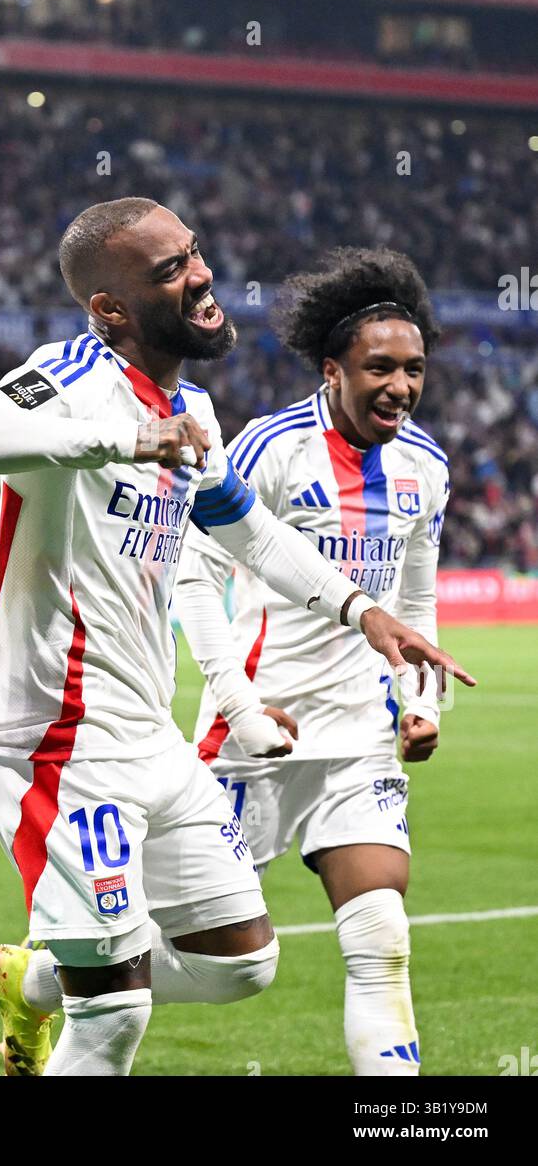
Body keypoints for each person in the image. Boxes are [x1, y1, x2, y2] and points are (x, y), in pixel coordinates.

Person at [0, 198, 474, 1078]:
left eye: (196, 253)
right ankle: (70, 983)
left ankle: (29, 980)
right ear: (110, 307)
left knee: (241, 961)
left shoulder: (197, 410)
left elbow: (249, 533)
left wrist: (364, 615)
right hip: (58, 740)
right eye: (170, 269)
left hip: (147, 736)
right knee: (114, 1015)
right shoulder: (73, 375)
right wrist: (126, 440)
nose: (202, 275)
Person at [174, 247, 449, 1076]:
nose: (400, 386)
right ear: (333, 370)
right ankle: (36, 980)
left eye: (414, 369)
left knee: (381, 941)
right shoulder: (270, 448)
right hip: (256, 732)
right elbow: (197, 573)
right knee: (210, 959)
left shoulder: (424, 466)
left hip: (359, 737)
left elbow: (416, 602)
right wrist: (235, 706)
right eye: (380, 368)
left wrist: (422, 700)